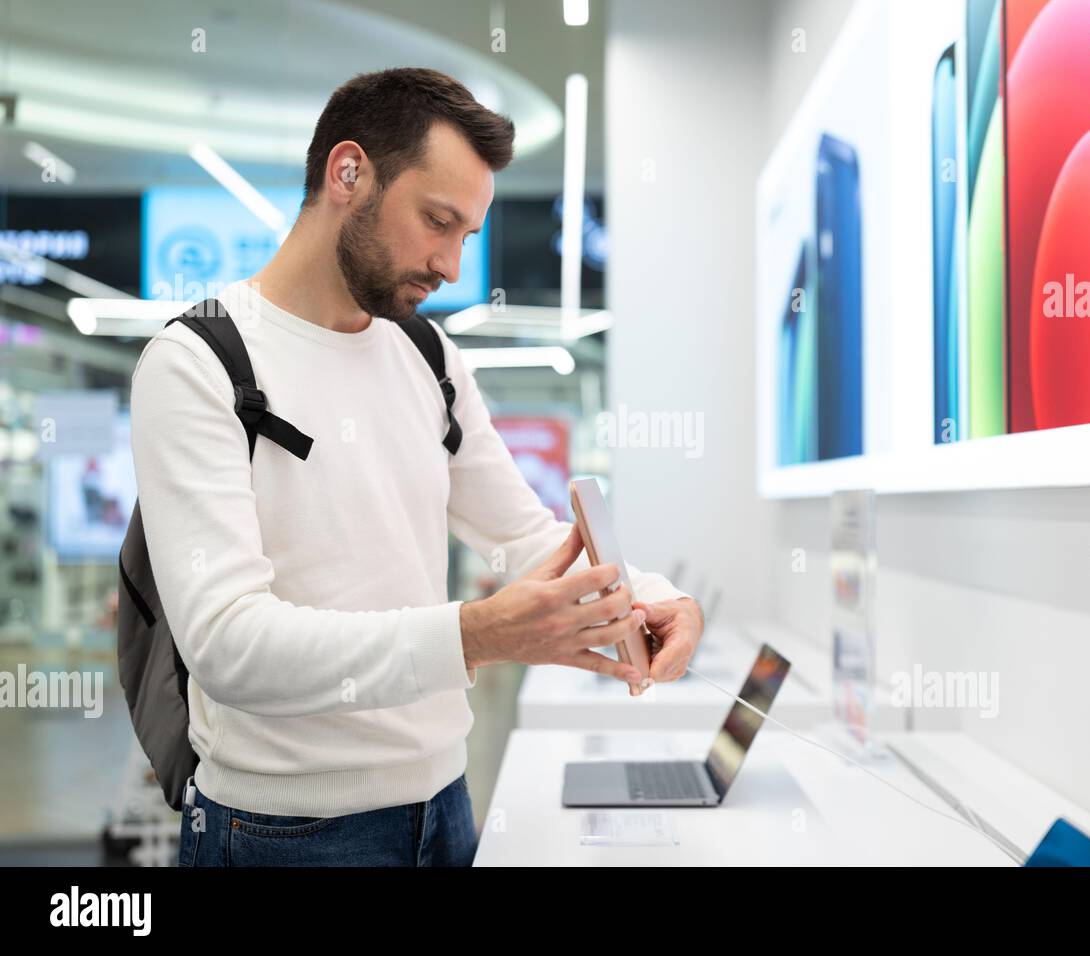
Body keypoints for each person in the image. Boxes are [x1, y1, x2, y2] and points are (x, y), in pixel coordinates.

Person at [130, 67, 703, 867]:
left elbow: (523, 535)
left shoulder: (426, 353)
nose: (452, 265)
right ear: (348, 173)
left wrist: (659, 599)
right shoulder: (198, 363)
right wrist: (473, 636)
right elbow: (230, 645)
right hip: (285, 834)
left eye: (466, 235)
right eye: (438, 222)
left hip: (443, 806)